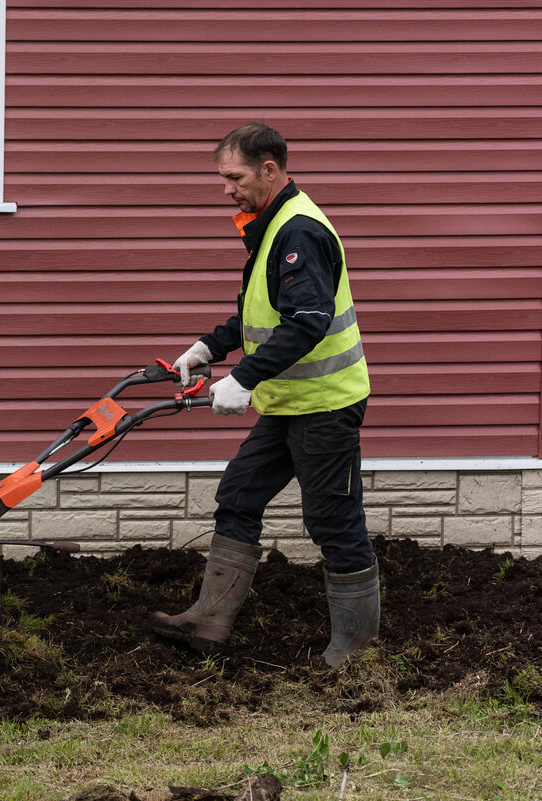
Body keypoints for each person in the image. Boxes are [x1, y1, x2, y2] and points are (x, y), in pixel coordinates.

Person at [149, 122, 379, 668]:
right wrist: (209, 346)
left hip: (325, 404)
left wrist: (244, 378)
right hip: (288, 405)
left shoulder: (299, 230)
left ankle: (355, 649)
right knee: (239, 495)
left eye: (234, 177)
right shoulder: (272, 225)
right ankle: (209, 619)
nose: (226, 188)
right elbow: (264, 313)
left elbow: (309, 321)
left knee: (333, 520)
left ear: (269, 170)